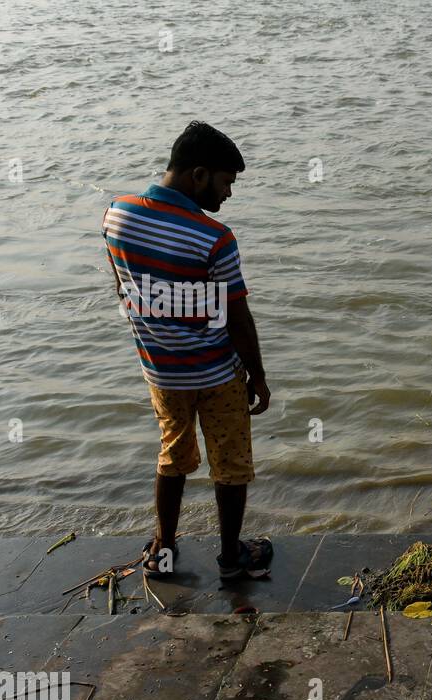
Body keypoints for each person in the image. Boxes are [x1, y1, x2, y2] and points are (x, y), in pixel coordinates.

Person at [102, 120, 273, 580]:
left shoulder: (116, 215)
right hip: (216, 373)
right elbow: (237, 318)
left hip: (161, 371)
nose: (227, 194)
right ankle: (232, 556)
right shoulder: (214, 237)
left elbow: (122, 285)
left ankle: (163, 548)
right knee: (231, 462)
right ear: (199, 175)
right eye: (225, 182)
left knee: (172, 455)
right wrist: (257, 377)